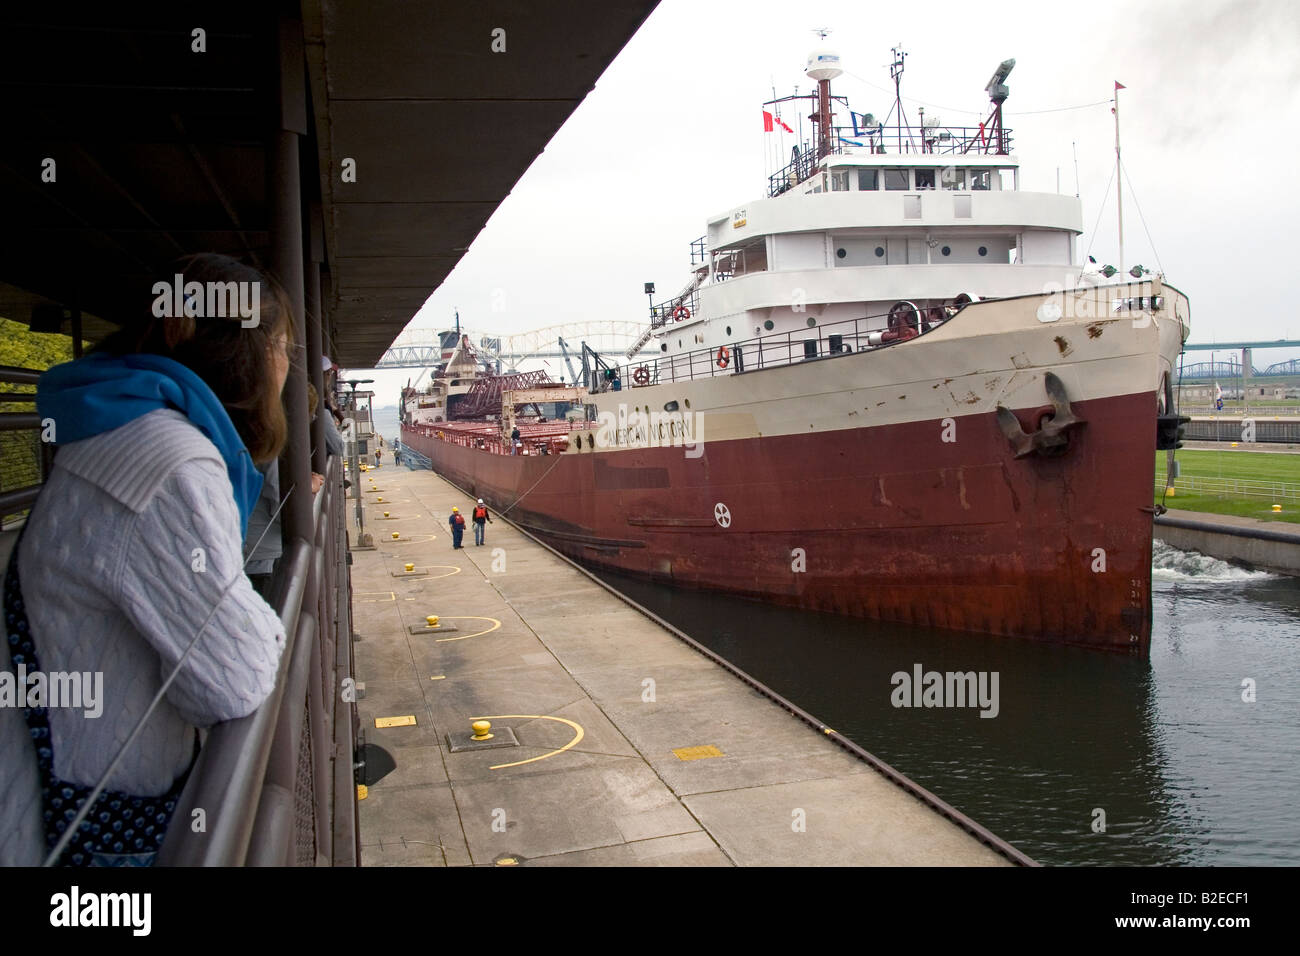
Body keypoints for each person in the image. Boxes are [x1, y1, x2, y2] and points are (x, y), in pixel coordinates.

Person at [1, 253, 289, 866]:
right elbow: (232, 679)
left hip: (73, 797)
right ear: (249, 353)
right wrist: (259, 622)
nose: (287, 365)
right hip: (97, 837)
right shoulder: (168, 462)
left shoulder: (121, 428)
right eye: (284, 344)